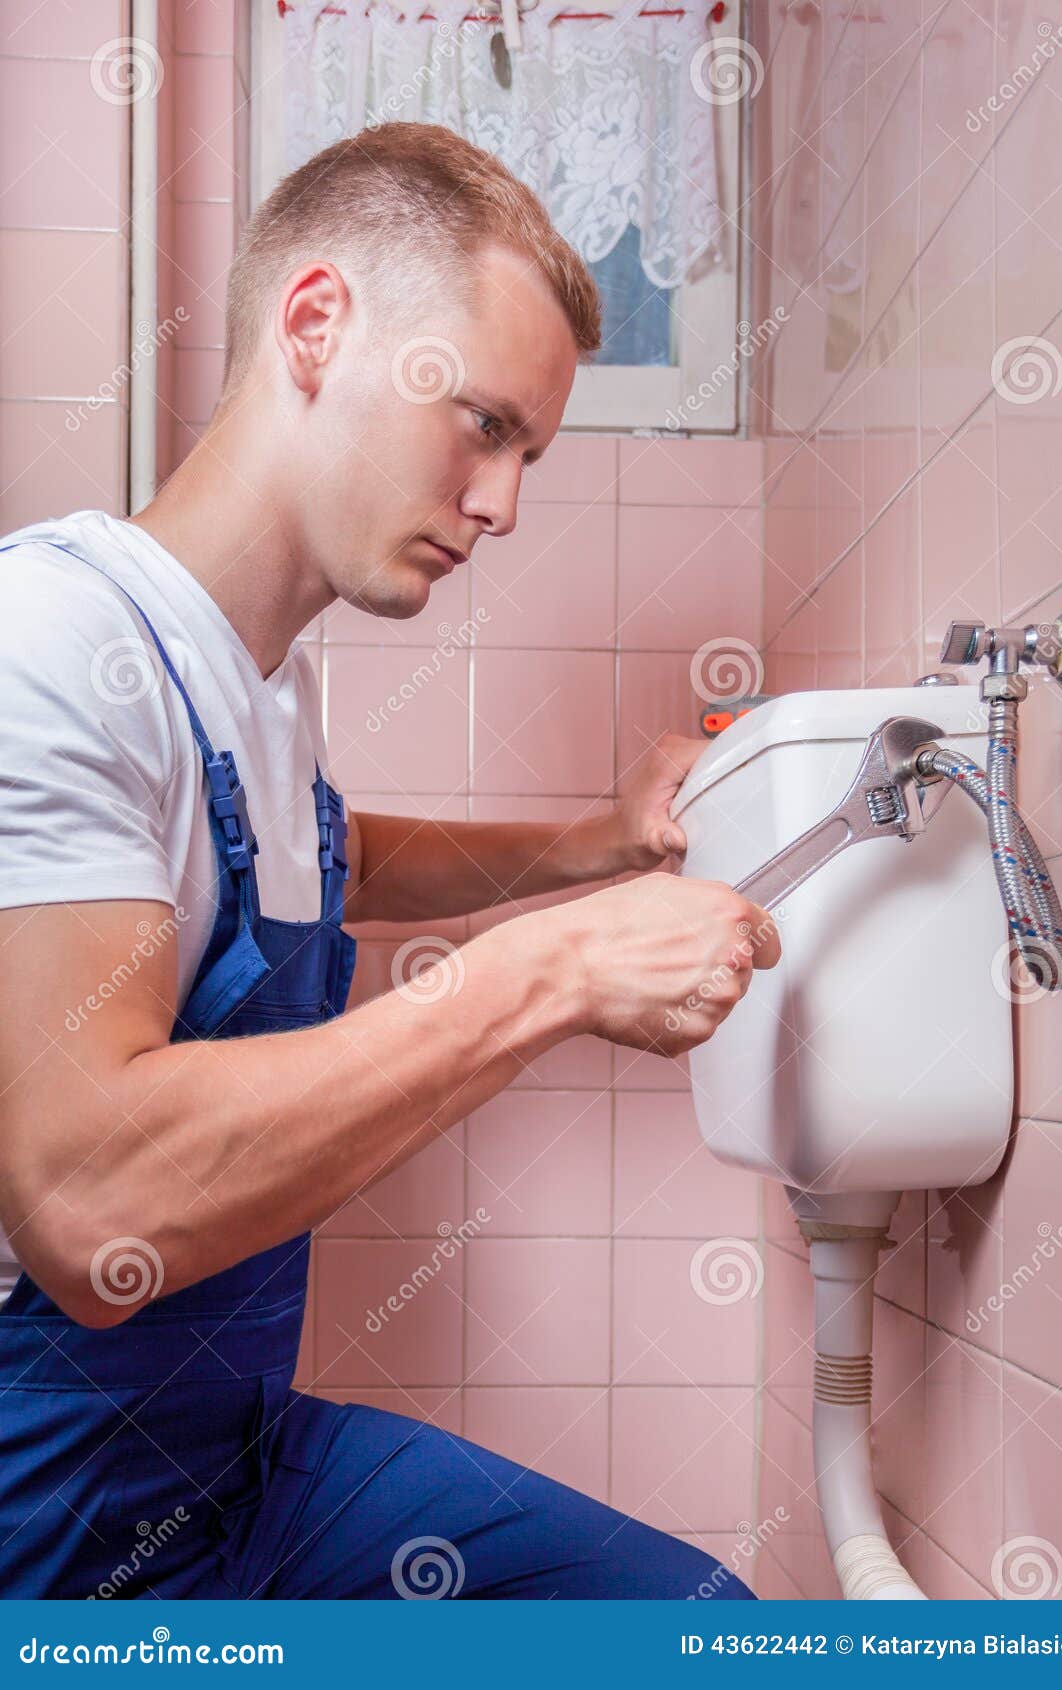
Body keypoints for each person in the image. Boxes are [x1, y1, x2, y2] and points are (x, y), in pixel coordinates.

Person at [0, 122, 778, 1600]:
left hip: (229, 1459)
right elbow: (84, 1190)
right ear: (315, 324)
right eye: (484, 425)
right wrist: (547, 973)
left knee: (697, 1628)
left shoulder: (261, 681)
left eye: (528, 454)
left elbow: (327, 864)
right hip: (44, 1514)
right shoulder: (51, 646)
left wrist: (594, 843)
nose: (502, 505)